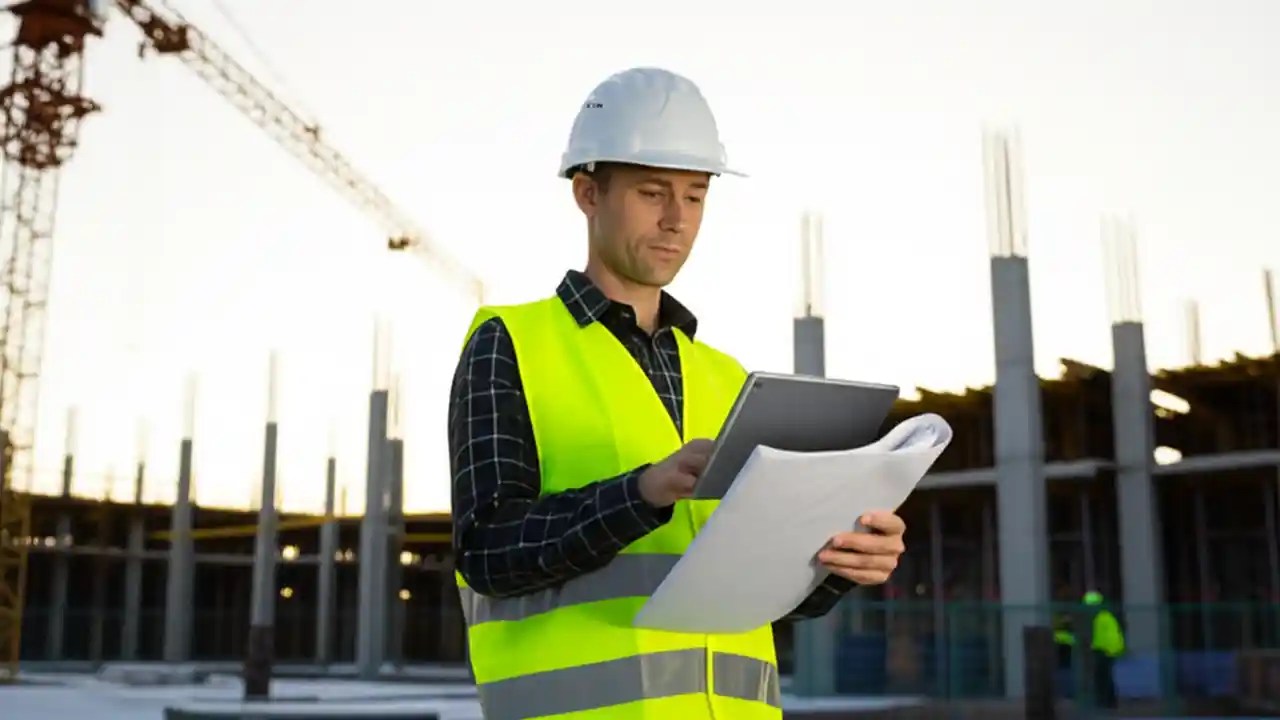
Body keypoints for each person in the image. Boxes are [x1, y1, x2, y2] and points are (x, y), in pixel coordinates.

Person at [447, 66, 908, 720]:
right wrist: (640, 492)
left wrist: (842, 560)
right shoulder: (512, 343)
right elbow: (487, 550)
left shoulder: (726, 377)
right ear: (588, 193)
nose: (676, 220)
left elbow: (761, 589)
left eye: (695, 196)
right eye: (653, 192)